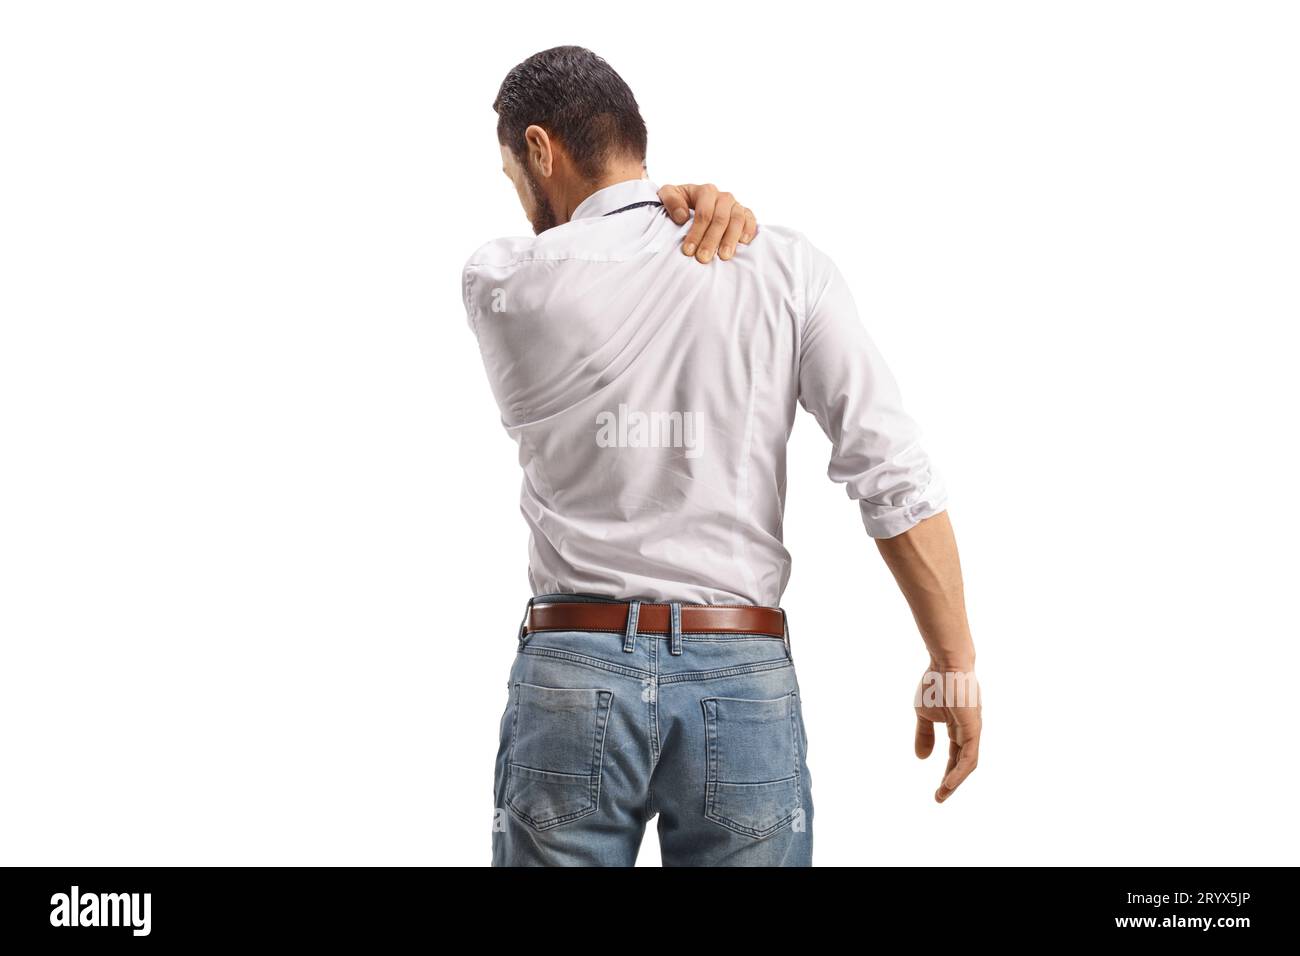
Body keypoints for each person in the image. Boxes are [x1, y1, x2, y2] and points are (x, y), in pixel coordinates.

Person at [462, 45, 981, 867]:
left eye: (510, 173)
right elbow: (894, 473)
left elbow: (588, 242)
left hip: (572, 669)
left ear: (539, 148)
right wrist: (952, 662)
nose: (518, 201)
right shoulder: (782, 268)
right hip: (740, 671)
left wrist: (655, 208)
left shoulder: (501, 286)